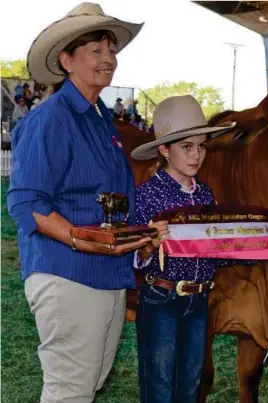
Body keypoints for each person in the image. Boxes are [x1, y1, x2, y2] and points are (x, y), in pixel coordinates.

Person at [7, 3, 145, 402]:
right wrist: (76, 238)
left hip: (107, 271)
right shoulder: (50, 118)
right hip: (68, 273)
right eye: (96, 51)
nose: (109, 60)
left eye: (111, 50)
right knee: (70, 390)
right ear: (67, 60)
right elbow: (24, 201)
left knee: (88, 385)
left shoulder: (101, 117)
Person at [130, 95, 268, 403]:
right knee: (159, 385)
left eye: (201, 146)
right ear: (165, 149)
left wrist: (266, 238)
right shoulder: (147, 194)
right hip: (161, 298)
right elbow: (134, 258)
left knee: (191, 384)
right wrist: (148, 246)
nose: (196, 155)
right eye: (186, 147)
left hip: (199, 301)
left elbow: (219, 250)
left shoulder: (205, 193)